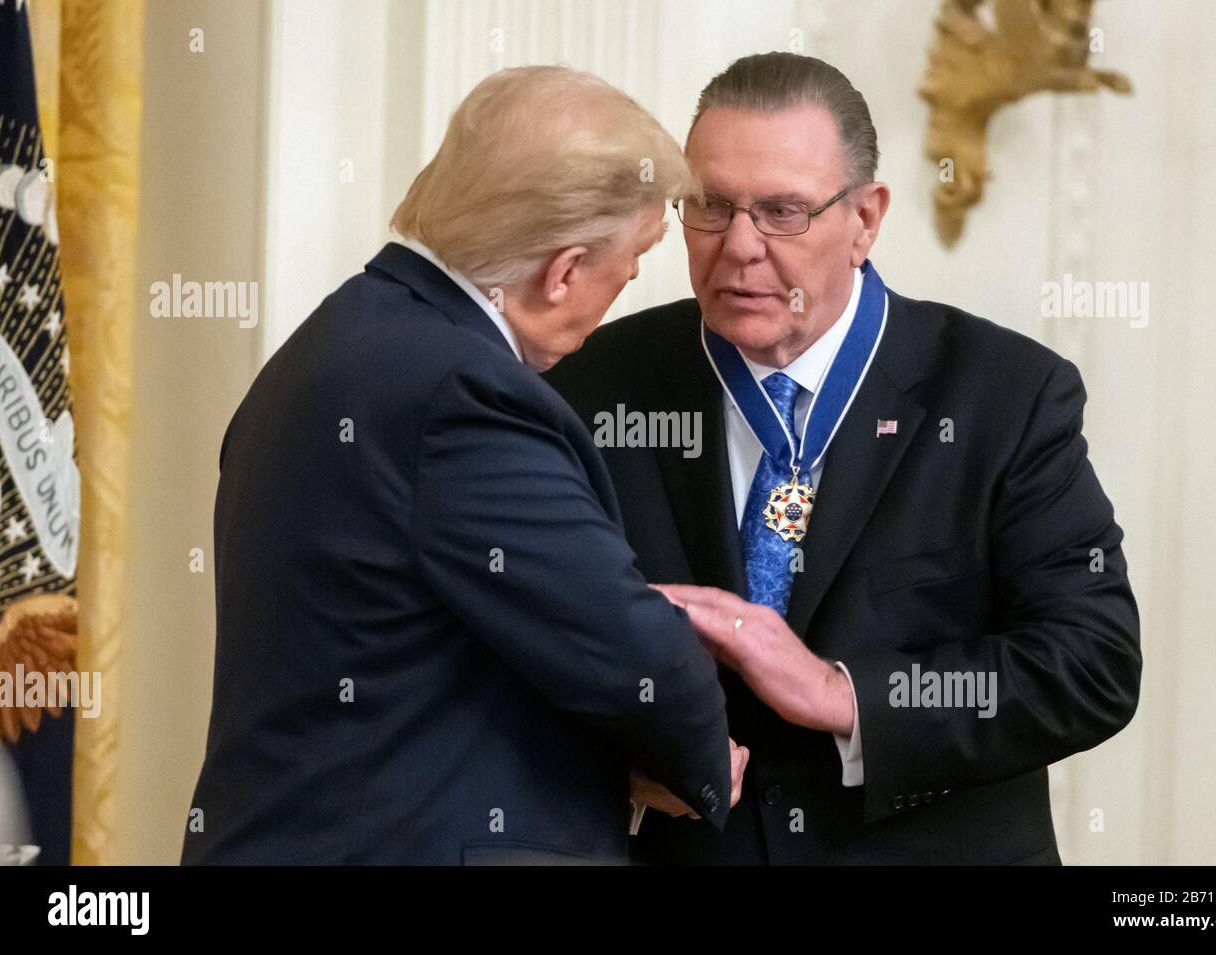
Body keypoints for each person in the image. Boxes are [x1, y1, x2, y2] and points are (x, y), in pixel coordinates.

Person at [547, 52, 1141, 864]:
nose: (740, 247)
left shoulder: (1004, 397)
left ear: (865, 218)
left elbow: (1091, 663)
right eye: (711, 206)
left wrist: (846, 694)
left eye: (783, 211)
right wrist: (610, 766)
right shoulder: (591, 386)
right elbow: (514, 653)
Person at [182, 66, 743, 865]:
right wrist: (702, 761)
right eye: (638, 255)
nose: (631, 282)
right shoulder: (463, 396)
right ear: (564, 270)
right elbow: (632, 652)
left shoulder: (330, 346)